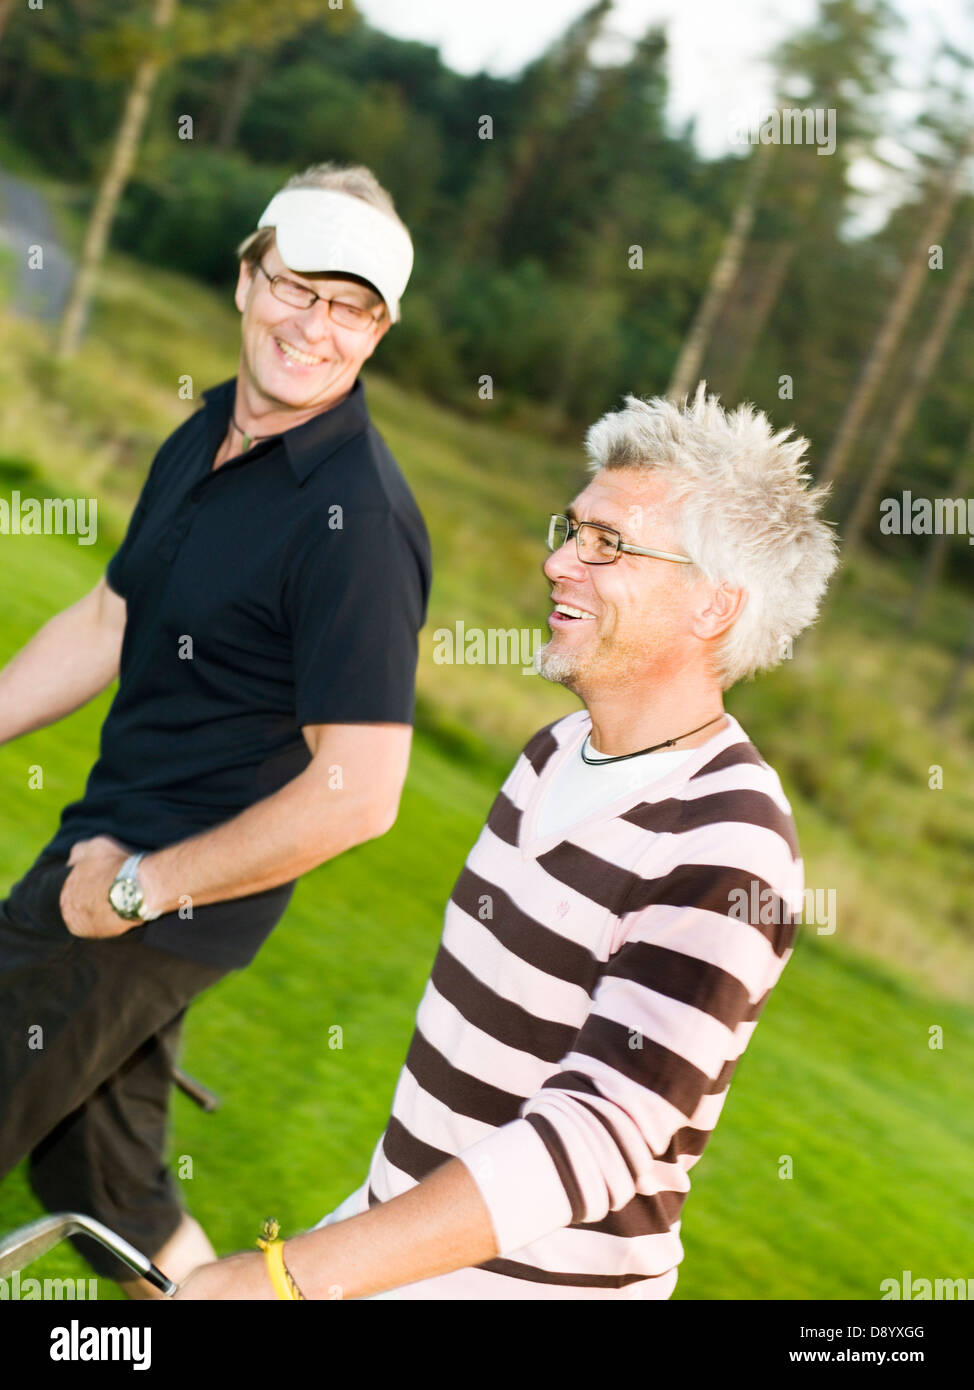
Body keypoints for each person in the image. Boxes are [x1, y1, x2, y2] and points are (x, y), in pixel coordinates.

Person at [175, 384, 839, 1300]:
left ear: (712, 608)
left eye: (608, 543)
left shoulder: (730, 842)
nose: (560, 561)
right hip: (401, 1246)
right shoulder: (552, 752)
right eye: (572, 528)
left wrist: (294, 1276)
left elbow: (594, 1135)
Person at [0, 161, 432, 1297]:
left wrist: (138, 888)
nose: (316, 325)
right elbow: (112, 612)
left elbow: (360, 791)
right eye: (298, 287)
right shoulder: (205, 436)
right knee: (106, 1182)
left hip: (155, 900)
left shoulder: (359, 525)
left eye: (352, 307)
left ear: (379, 331)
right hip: (107, 849)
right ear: (247, 276)